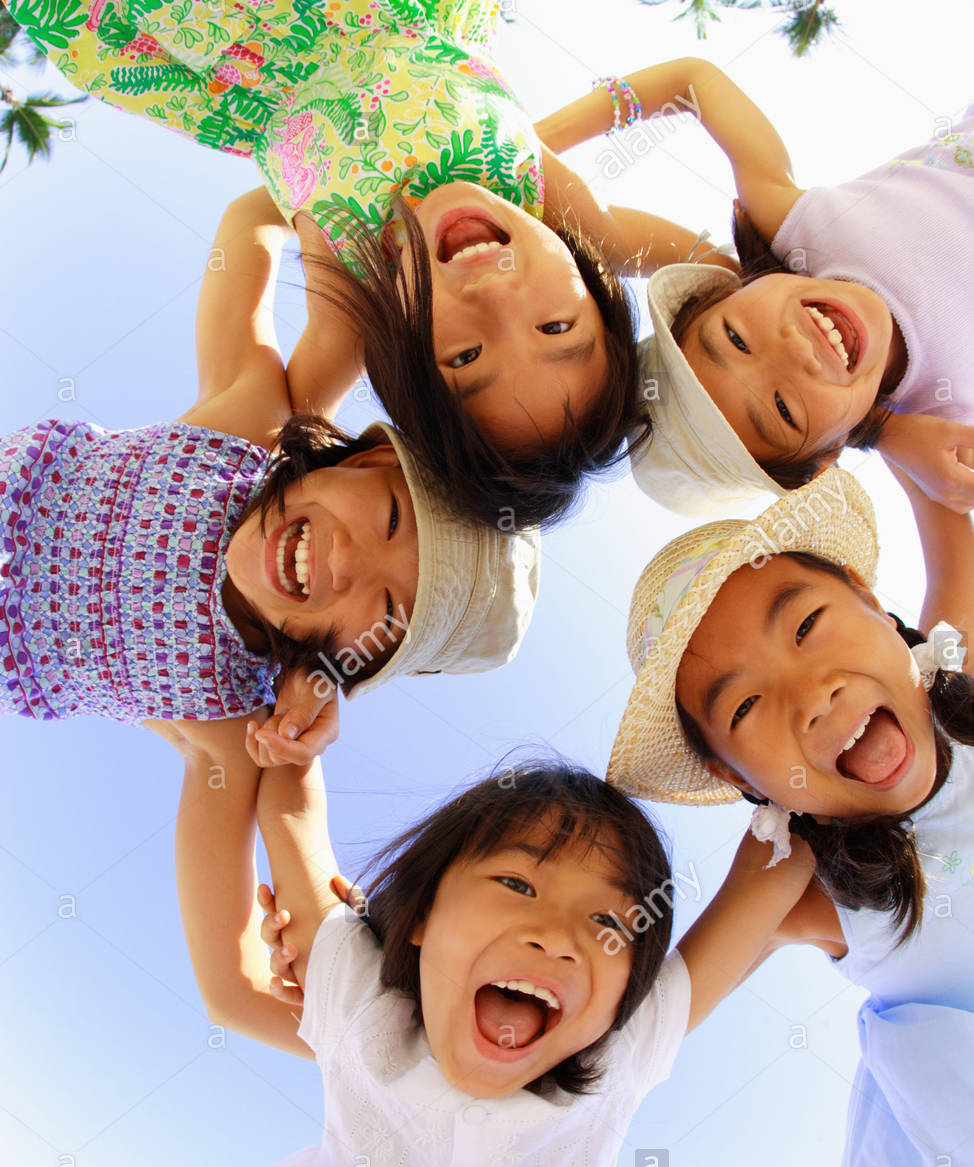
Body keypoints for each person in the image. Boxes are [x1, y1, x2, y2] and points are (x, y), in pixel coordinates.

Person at [0, 758, 815, 1167]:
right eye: (517, 885)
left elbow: (764, 880)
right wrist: (303, 715)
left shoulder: (621, 1047)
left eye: (608, 918)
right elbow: (292, 817)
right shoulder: (362, 995)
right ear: (420, 917)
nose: (559, 935)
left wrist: (795, 773)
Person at [6, 0, 735, 527]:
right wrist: (758, 264)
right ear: (585, 273)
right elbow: (657, 240)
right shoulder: (532, 188)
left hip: (224, 34)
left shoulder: (354, 277)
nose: (493, 296)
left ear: (402, 351)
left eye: (466, 354)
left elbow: (291, 416)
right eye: (554, 325)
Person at [1, 187, 541, 768]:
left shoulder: (229, 701)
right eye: (390, 519)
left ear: (348, 659)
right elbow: (253, 223)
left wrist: (296, 726)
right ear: (368, 462)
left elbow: (219, 841)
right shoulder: (243, 437)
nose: (343, 564)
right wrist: (320, 177)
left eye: (387, 610)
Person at [608, 465, 974, 1167]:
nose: (812, 696)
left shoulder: (961, 688)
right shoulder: (807, 887)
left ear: (873, 603)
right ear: (739, 778)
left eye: (809, 623)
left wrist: (897, 431)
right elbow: (650, 1022)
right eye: (744, 710)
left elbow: (947, 490)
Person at [538, 58, 974, 515]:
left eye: (736, 339)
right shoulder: (939, 429)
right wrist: (886, 431)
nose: (795, 352)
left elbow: (691, 79)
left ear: (730, 289)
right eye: (784, 410)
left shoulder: (800, 229)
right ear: (826, 456)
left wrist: (527, 144)